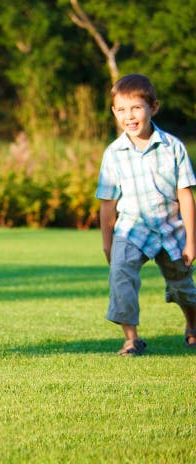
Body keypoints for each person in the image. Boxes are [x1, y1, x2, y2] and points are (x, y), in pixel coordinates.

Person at [96, 73, 196, 355]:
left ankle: (192, 325)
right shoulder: (113, 154)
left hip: (170, 229)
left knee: (183, 287)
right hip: (131, 230)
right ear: (115, 112)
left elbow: (186, 196)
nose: (129, 116)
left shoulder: (173, 147)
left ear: (154, 107)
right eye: (122, 110)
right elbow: (107, 204)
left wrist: (191, 239)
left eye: (136, 108)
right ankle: (131, 338)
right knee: (120, 275)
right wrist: (108, 243)